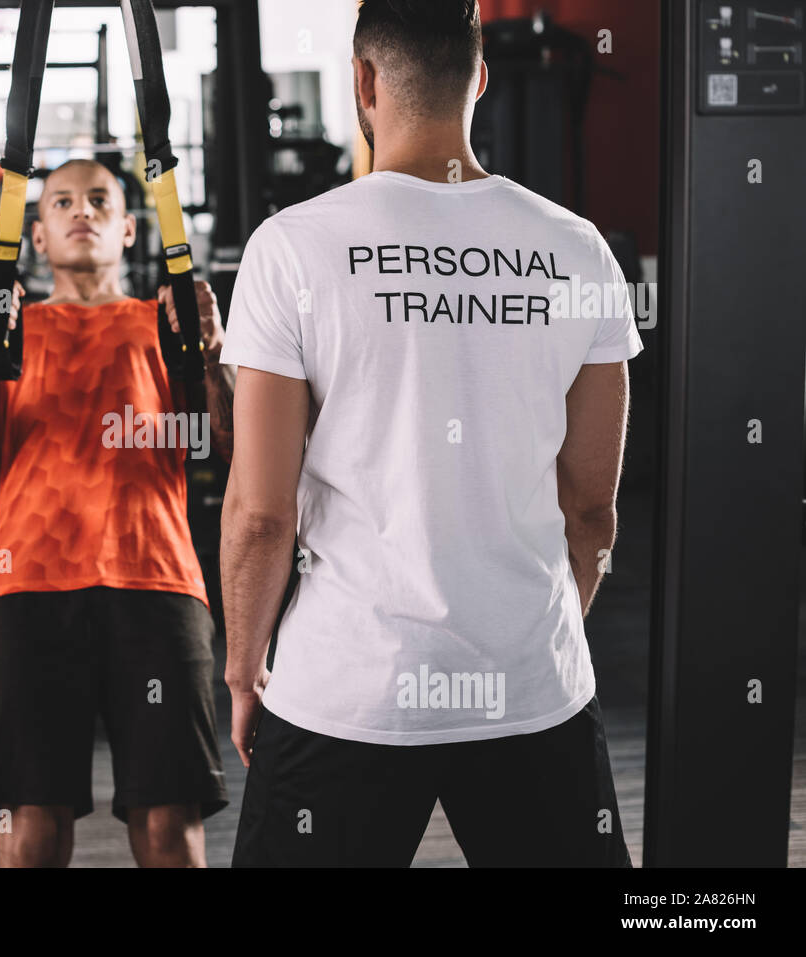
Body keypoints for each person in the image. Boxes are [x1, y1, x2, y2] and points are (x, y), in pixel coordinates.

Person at [219, 0, 643, 867]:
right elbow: (592, 505)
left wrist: (243, 662)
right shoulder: (579, 250)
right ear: (480, 79)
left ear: (363, 81)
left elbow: (261, 514)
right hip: (529, 683)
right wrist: (544, 628)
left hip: (346, 686)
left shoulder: (291, 247)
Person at [0, 158, 236, 867]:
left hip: (154, 584)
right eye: (62, 202)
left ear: (128, 228)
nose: (81, 211)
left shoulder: (167, 323)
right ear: (37, 236)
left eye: (99, 201)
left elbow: (234, 443)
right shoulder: (8, 333)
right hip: (28, 587)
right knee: (31, 824)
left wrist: (214, 353)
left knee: (169, 822)